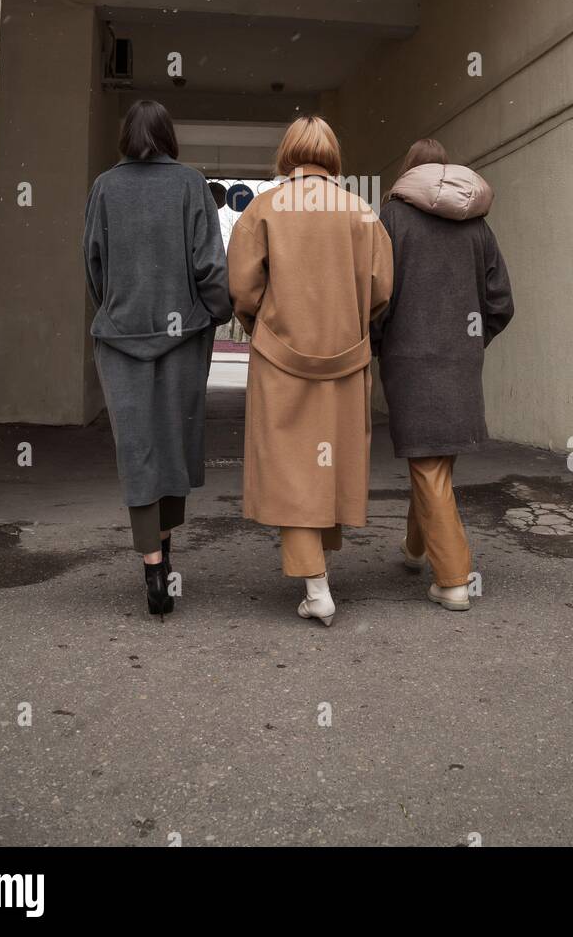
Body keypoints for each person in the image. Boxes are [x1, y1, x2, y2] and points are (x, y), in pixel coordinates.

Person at [227, 116, 393, 626]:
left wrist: (260, 323)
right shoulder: (361, 212)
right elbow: (381, 288)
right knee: (328, 463)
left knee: (291, 466)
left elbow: (242, 288)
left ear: (287, 155)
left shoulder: (264, 209)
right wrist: (351, 322)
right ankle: (318, 569)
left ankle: (316, 585)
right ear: (332, 157)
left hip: (281, 359)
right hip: (345, 359)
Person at [84, 100, 231, 618]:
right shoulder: (191, 184)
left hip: (121, 338)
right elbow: (210, 264)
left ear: (126, 136)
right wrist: (217, 312)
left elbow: (94, 264)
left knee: (138, 447)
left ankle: (152, 563)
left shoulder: (104, 187)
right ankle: (164, 553)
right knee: (174, 439)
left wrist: (121, 309)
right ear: (168, 136)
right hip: (183, 336)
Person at [371, 137, 513, 611]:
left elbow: (376, 296)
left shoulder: (391, 219)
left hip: (410, 360)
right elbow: (500, 304)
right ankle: (415, 548)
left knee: (428, 462)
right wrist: (470, 341)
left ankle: (453, 579)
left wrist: (379, 342)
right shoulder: (479, 226)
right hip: (461, 358)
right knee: (434, 459)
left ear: (409, 174)